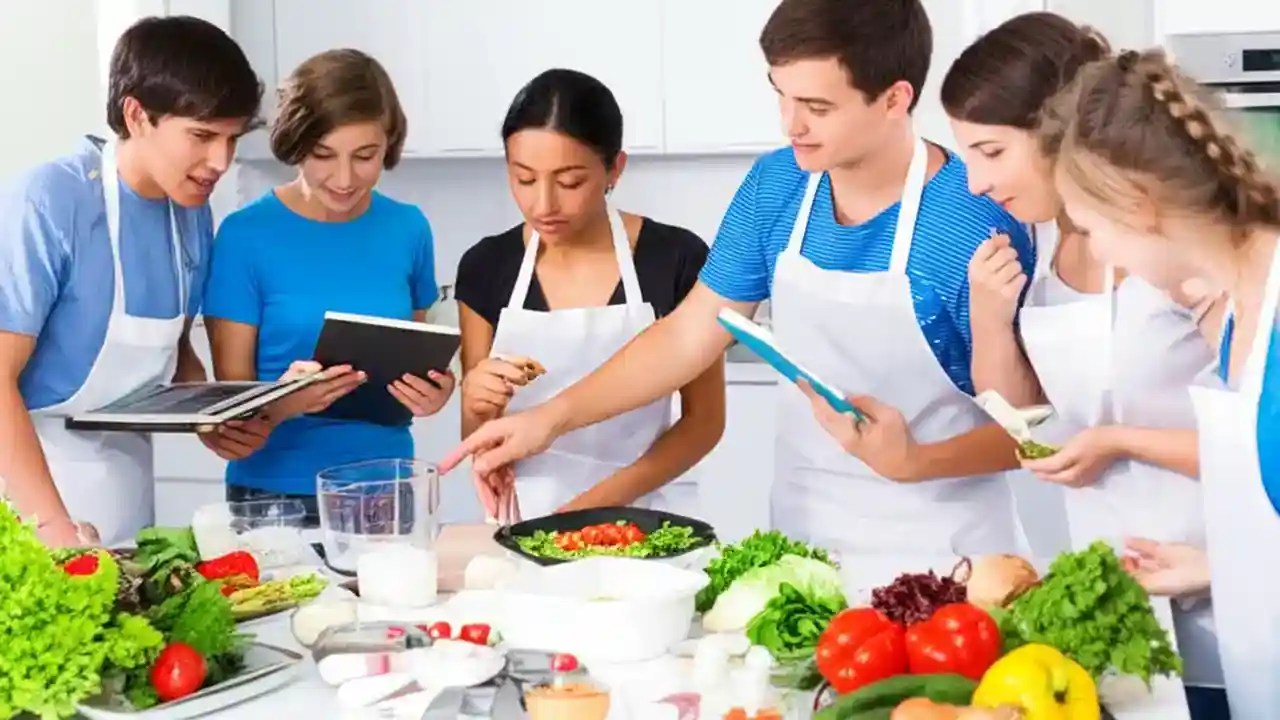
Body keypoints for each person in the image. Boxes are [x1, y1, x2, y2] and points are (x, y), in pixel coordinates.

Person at [443, 0, 1036, 555]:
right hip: (808, 538)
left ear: (893, 99)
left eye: (818, 107)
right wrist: (547, 420)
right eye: (782, 96)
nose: (791, 125)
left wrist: (913, 461)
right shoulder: (778, 185)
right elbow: (688, 333)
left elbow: (1040, 428)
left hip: (953, 549)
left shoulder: (976, 218)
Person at [941, 13, 1225, 704]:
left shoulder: (1173, 253)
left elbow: (1259, 441)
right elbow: (1032, 430)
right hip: (1110, 597)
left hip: (1219, 586)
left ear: (1054, 133)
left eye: (990, 152)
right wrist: (989, 324)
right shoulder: (1041, 248)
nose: (975, 183)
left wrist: (1118, 442)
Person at [0, 16, 352, 549]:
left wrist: (227, 415)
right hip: (24, 497)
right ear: (136, 115)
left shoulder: (189, 214)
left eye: (231, 139)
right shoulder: (51, 201)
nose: (220, 162)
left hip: (122, 485)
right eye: (202, 136)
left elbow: (172, 350)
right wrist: (51, 526)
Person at [1048, 47, 1280, 718]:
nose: (1097, 253)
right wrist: (1219, 566)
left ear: (1139, 205)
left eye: (1090, 228)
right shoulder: (1241, 311)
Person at [454, 69, 723, 521]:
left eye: (570, 181)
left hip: (644, 518)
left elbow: (704, 422)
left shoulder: (675, 257)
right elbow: (480, 433)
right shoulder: (486, 266)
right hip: (522, 525)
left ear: (614, 168)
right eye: (523, 178)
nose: (543, 204)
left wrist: (588, 511)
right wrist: (478, 404)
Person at [203, 49, 452, 524]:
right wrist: (286, 403)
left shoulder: (408, 229)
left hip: (389, 489)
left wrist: (432, 393)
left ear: (389, 143)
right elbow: (229, 413)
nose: (344, 178)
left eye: (365, 156)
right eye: (323, 155)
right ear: (296, 143)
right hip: (274, 496)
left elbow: (412, 359)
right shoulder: (245, 236)